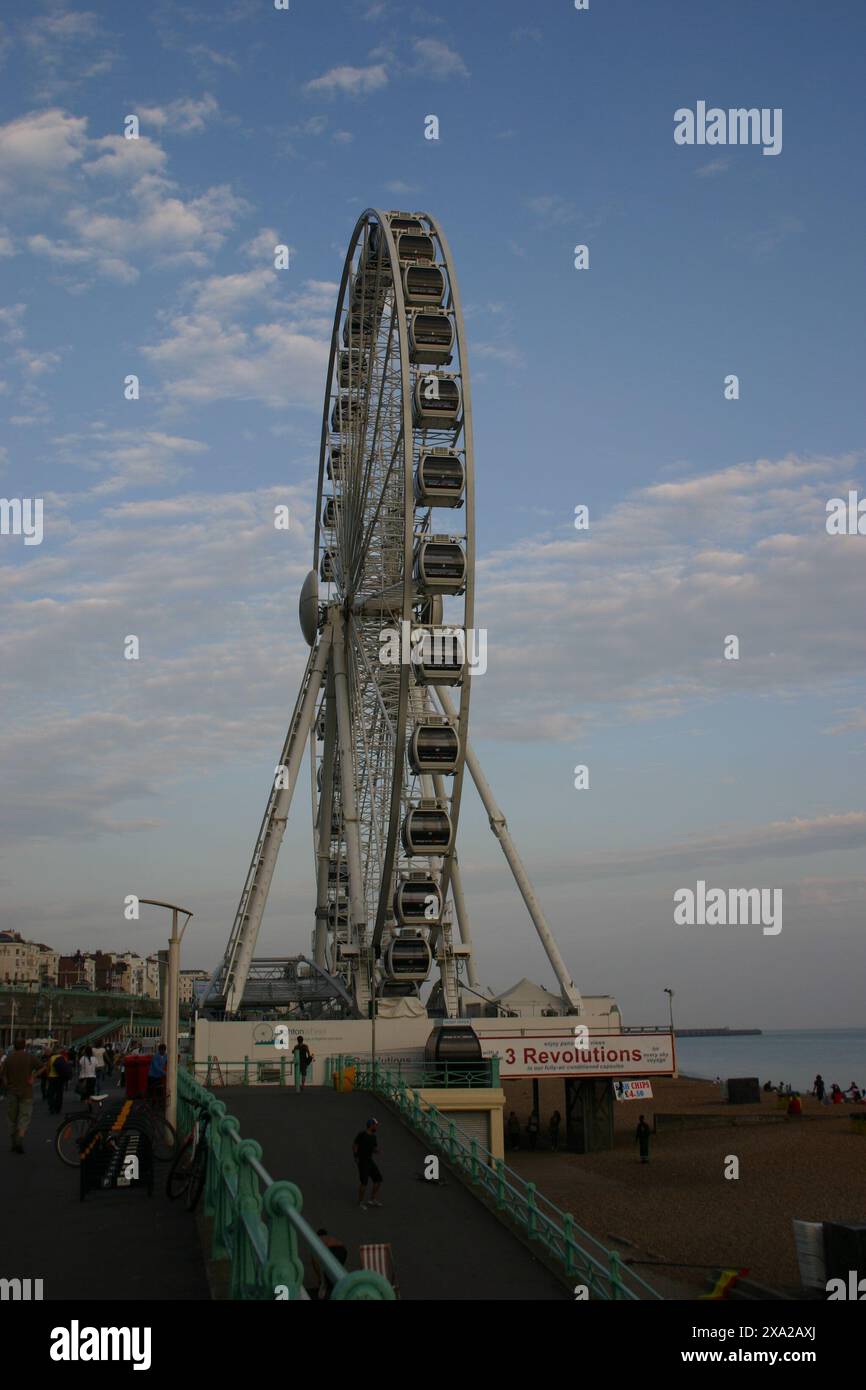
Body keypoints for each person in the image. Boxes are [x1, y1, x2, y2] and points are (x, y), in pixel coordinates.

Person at [1, 1038, 45, 1153]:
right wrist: (33, 1076)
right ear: (24, 1046)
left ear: (14, 1046)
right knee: (24, 1117)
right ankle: (20, 1137)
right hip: (26, 1091)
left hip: (12, 1091)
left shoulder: (8, 1059)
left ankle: (13, 1141)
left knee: (12, 1118)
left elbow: (3, 1075)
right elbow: (43, 1066)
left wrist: (7, 1085)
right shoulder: (29, 1057)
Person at [353, 1117, 383, 1209]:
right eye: (375, 1125)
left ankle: (372, 1199)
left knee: (378, 1179)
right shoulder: (362, 1134)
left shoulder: (374, 1137)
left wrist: (376, 1151)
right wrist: (355, 1157)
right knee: (364, 1182)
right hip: (362, 1161)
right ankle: (360, 1202)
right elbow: (355, 1145)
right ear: (371, 1125)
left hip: (370, 1160)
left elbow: (373, 1148)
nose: (377, 1127)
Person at [311, 1228, 348, 1299]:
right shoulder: (329, 1239)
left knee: (326, 1274)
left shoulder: (317, 1239)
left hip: (333, 1250)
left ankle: (327, 1290)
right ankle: (340, 1285)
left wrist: (320, 1277)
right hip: (343, 1250)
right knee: (335, 1271)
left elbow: (315, 1261)